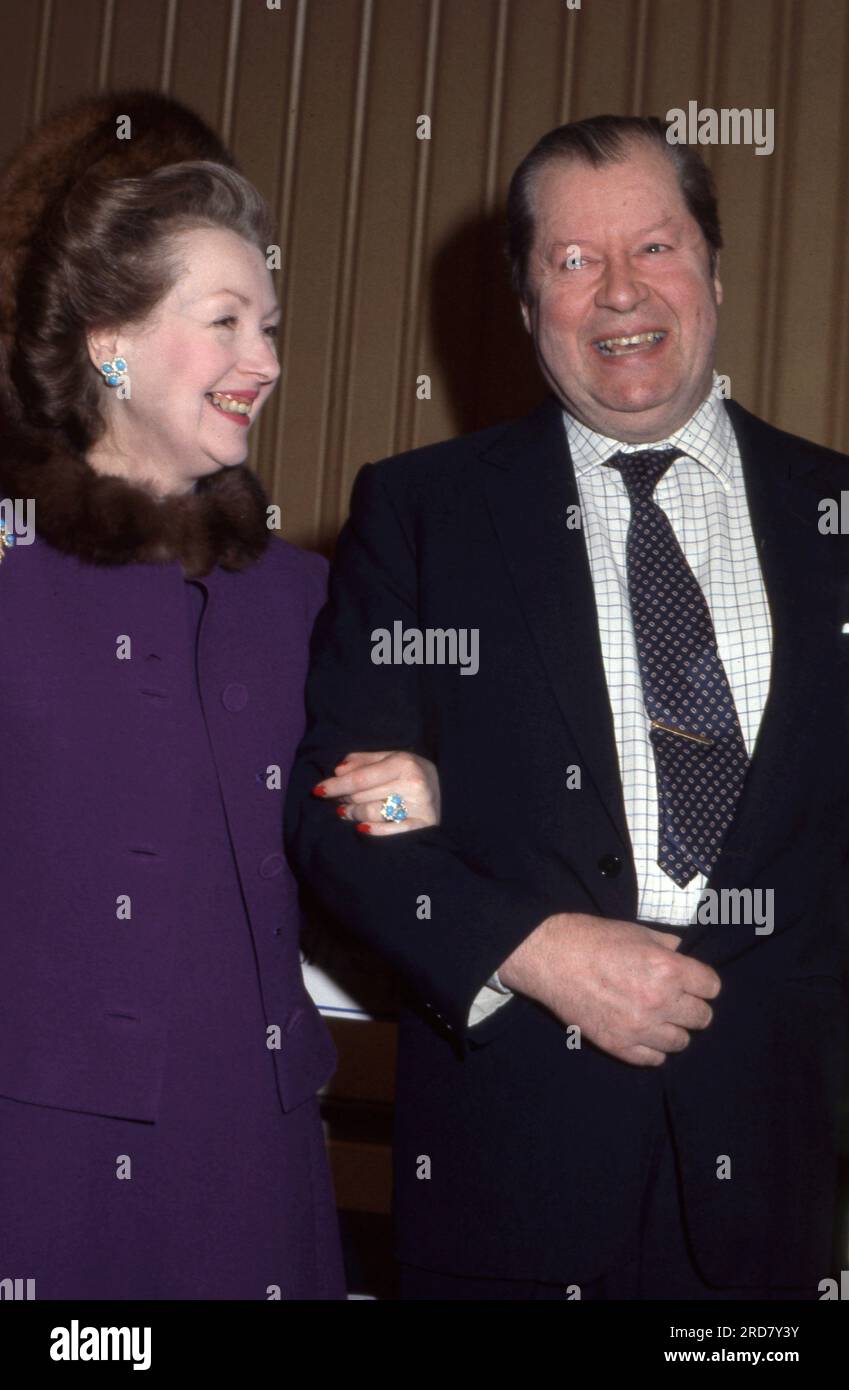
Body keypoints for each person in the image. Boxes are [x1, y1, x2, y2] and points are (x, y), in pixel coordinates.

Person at [286, 115, 849, 1300]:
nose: (619, 293)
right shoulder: (422, 516)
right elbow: (341, 813)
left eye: (655, 246)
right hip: (511, 1191)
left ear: (712, 266)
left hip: (783, 1204)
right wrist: (528, 948)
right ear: (527, 297)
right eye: (573, 261)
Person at [0, 91, 436, 1301]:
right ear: (111, 343)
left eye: (275, 325)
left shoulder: (307, 597)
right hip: (37, 1165)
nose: (271, 362)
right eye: (229, 321)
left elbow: (365, 862)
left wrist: (416, 801)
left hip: (250, 1157)